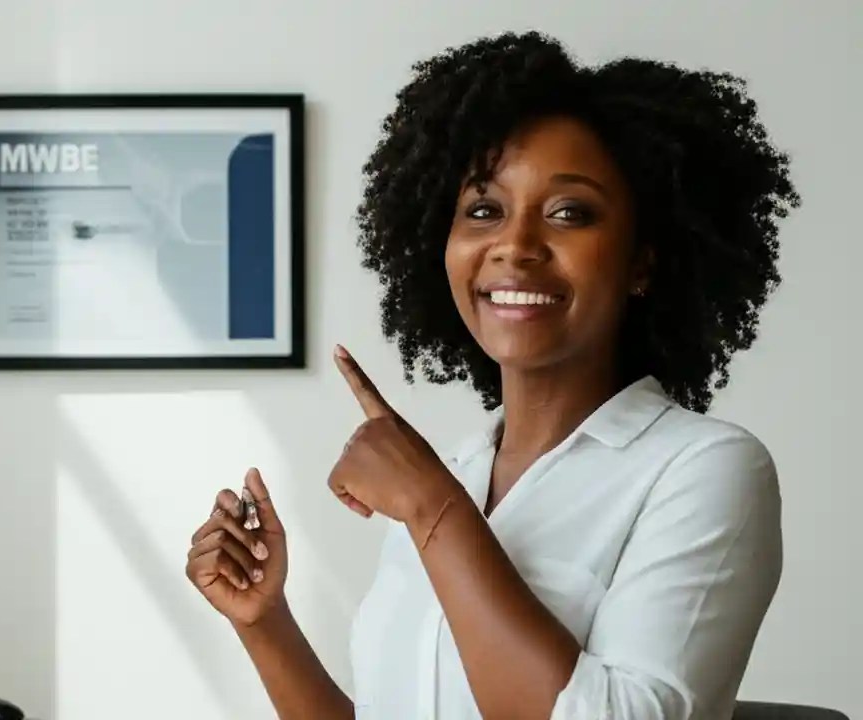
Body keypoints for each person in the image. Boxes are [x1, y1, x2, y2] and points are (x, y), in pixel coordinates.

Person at [184, 30, 801, 720]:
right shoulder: (451, 471)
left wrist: (431, 507)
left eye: (570, 212)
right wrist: (262, 620)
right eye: (483, 210)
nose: (514, 244)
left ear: (642, 263)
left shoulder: (706, 469)